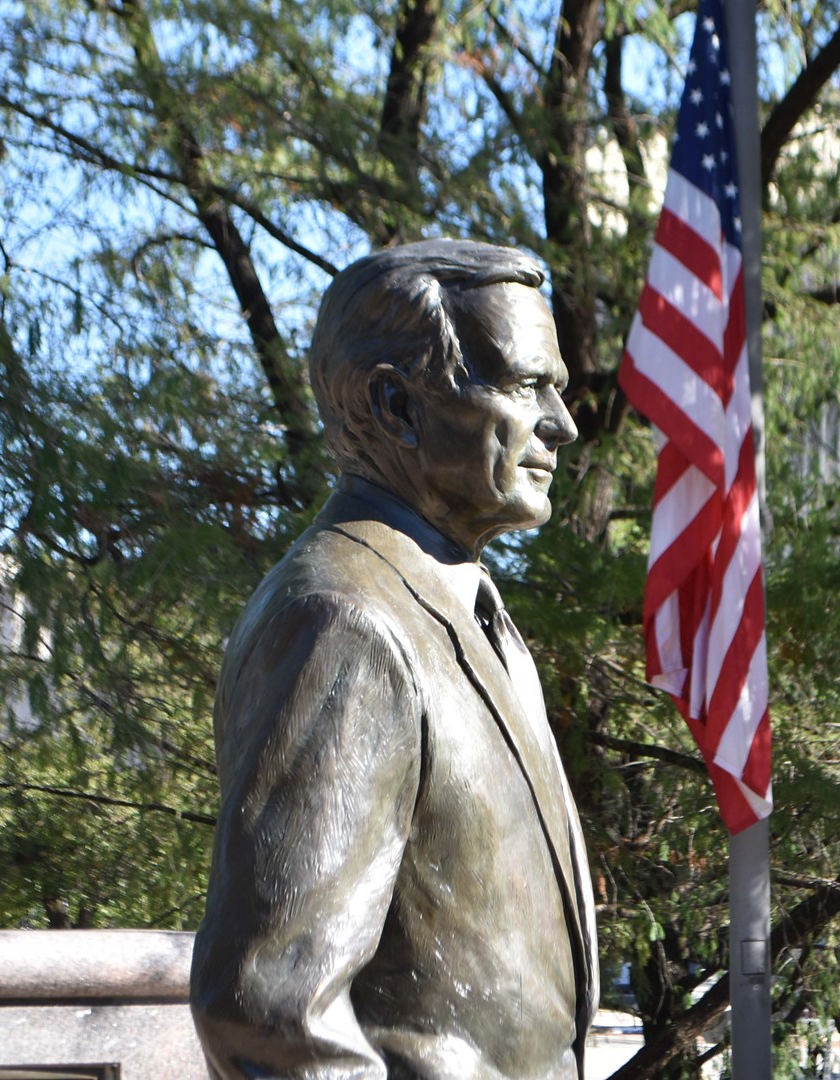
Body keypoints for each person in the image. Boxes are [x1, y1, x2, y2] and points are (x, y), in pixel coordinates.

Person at [190, 239, 597, 1080]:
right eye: (525, 386)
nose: (562, 423)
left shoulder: (459, 606)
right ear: (396, 404)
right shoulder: (345, 622)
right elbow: (274, 1015)